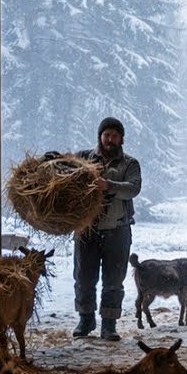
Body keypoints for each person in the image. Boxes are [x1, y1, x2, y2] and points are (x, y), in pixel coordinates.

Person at [70, 117, 142, 341]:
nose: (110, 140)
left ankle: (109, 325)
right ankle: (86, 320)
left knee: (113, 280)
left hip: (118, 230)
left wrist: (108, 186)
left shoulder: (130, 164)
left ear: (121, 139)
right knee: (84, 277)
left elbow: (133, 188)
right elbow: (64, 173)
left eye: (115, 136)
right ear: (100, 136)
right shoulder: (83, 158)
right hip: (87, 230)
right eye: (106, 135)